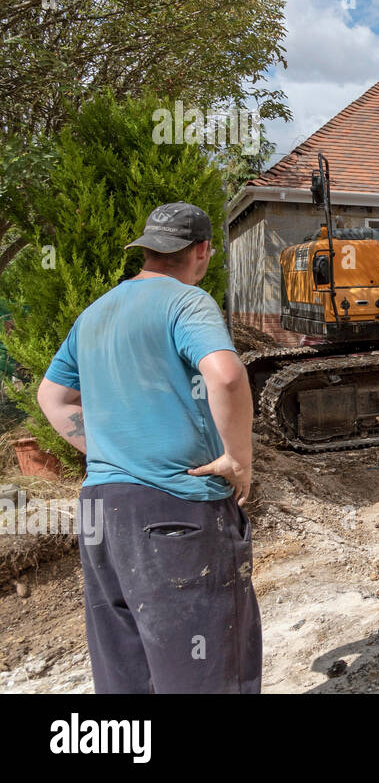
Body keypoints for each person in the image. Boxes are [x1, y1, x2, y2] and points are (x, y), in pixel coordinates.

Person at [36, 202, 261, 694]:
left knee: (126, 666)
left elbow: (51, 397)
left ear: (147, 250)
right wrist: (237, 459)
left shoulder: (94, 313)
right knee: (203, 668)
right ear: (202, 250)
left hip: (101, 512)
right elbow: (225, 375)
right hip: (175, 510)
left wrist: (110, 449)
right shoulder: (186, 301)